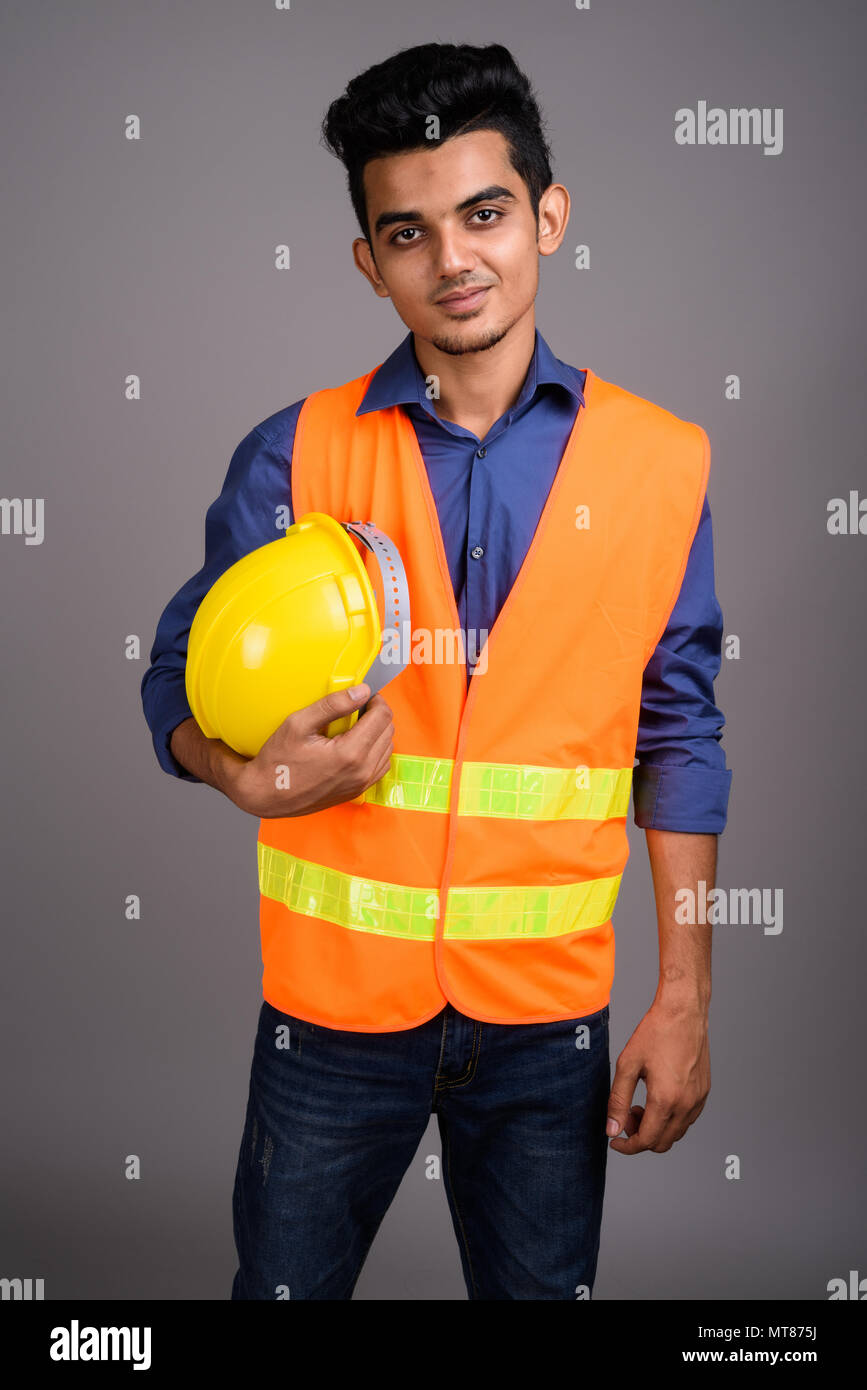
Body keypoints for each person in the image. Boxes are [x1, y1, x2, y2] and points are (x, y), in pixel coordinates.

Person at [141, 41, 732, 1301]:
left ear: (547, 217)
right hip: (330, 1019)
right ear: (368, 262)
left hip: (545, 1026)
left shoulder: (661, 461)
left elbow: (679, 735)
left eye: (484, 214)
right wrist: (234, 774)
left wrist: (683, 998)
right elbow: (176, 675)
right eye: (406, 233)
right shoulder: (292, 453)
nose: (453, 259)